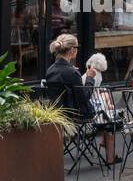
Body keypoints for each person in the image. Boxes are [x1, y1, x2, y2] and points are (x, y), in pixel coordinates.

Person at [45, 33, 116, 165]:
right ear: (72, 50)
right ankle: (111, 158)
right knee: (110, 115)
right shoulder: (72, 72)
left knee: (105, 105)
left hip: (59, 115)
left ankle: (107, 148)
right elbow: (84, 98)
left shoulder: (50, 70)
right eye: (76, 47)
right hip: (79, 117)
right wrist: (89, 78)